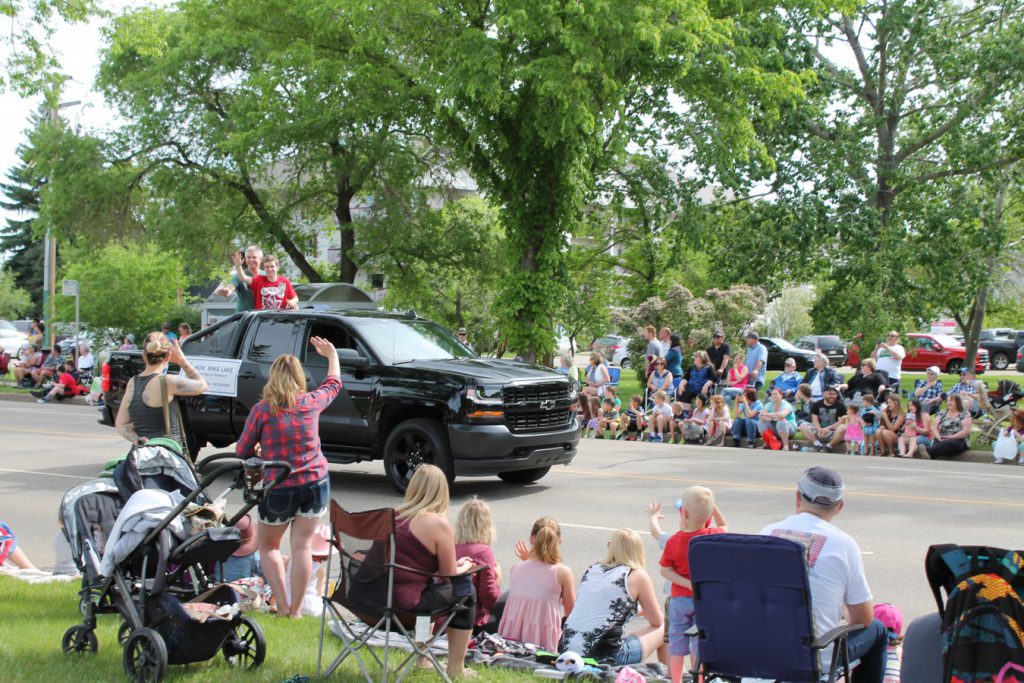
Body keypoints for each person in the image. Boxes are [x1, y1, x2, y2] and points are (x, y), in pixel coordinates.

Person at [234, 336, 340, 618]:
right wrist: (332, 356)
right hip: (315, 481)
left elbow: (242, 450)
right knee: (302, 546)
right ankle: (295, 610)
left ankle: (281, 606)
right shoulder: (311, 402)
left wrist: (258, 448)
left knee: (269, 546)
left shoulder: (262, 411)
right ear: (298, 378)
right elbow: (333, 385)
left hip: (279, 484)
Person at [761, 467, 888, 682]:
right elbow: (863, 618)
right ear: (839, 507)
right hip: (810, 657)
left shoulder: (767, 533)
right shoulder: (844, 545)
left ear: (798, 498)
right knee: (878, 630)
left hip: (756, 653)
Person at [358, 465, 478, 678]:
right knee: (466, 589)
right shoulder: (438, 523)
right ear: (442, 491)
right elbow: (449, 575)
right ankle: (455, 668)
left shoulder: (392, 516)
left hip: (365, 604)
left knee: (428, 586)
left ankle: (422, 655)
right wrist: (465, 566)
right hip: (401, 611)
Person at [561, 528, 665, 666]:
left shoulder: (593, 569)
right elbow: (657, 621)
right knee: (666, 630)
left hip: (567, 652)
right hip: (606, 658)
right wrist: (642, 610)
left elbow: (598, 607)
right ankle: (673, 678)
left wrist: (636, 610)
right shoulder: (637, 575)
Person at [660, 486, 728, 683]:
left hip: (679, 599)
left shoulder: (674, 540)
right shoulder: (713, 535)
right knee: (699, 641)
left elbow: (665, 570)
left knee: (677, 640)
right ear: (709, 515)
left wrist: (686, 583)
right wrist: (713, 509)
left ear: (684, 513)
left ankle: (676, 680)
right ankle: (698, 679)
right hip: (703, 600)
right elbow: (725, 525)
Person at [115, 333, 208, 447]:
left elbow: (121, 424)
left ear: (144, 356)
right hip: (167, 456)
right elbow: (202, 385)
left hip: (142, 457)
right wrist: (182, 361)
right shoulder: (168, 382)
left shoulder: (132, 383)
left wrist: (137, 439)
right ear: (168, 356)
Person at [499, 517, 575, 651]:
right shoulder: (563, 572)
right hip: (541, 642)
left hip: (510, 640)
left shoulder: (516, 568)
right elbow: (570, 611)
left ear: (531, 539)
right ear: (559, 541)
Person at [454, 498, 501, 632]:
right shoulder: (483, 551)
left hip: (445, 614)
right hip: (471, 621)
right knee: (507, 599)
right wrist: (497, 579)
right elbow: (488, 598)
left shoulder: (451, 546)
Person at [233, 252, 299, 310]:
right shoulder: (259, 280)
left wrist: (292, 302)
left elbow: (295, 298)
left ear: (277, 268)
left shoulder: (284, 282)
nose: (269, 269)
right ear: (264, 269)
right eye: (266, 267)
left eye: (272, 266)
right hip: (262, 319)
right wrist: (238, 266)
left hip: (279, 319)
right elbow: (243, 278)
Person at [921, 394, 972, 460]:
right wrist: (938, 436)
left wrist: (952, 437)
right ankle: (929, 455)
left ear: (958, 402)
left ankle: (926, 451)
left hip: (959, 440)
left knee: (948, 443)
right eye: (947, 401)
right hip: (942, 438)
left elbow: (966, 431)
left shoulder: (965, 414)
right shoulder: (942, 413)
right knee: (939, 443)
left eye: (951, 401)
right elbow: (934, 427)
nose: (948, 403)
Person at [215, 245, 264, 312]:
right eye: (248, 257)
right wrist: (226, 291)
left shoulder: (266, 276)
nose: (251, 260)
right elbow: (230, 287)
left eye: (254, 257)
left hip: (262, 318)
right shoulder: (239, 275)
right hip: (244, 319)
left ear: (260, 259)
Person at [797, 386, 847, 452]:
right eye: (830, 394)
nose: (832, 396)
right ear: (824, 394)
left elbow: (841, 422)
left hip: (833, 432)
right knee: (802, 426)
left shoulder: (840, 405)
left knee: (843, 427)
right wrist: (819, 429)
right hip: (820, 431)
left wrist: (827, 429)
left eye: (834, 394)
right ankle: (818, 445)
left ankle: (828, 446)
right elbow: (815, 420)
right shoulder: (817, 404)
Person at [582, 351, 612, 425]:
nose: (589, 360)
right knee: (589, 397)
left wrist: (596, 384)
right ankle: (591, 418)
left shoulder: (601, 367)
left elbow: (607, 378)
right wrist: (590, 383)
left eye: (591, 359)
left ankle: (581, 407)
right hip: (592, 388)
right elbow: (586, 379)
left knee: (585, 390)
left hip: (599, 389)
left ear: (595, 359)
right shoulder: (591, 368)